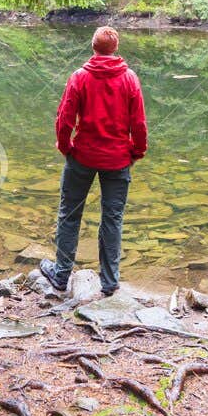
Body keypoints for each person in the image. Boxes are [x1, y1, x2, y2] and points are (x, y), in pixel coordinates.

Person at [40, 26, 146, 297]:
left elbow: (64, 118)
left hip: (82, 157)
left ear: (93, 47)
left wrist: (66, 147)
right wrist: (136, 152)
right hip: (117, 160)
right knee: (112, 219)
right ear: (116, 48)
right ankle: (110, 283)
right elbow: (139, 124)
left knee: (70, 214)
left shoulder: (80, 77)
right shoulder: (130, 79)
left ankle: (61, 274)